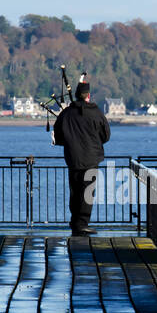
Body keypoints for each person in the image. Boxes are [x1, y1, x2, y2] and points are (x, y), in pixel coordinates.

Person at [52, 81, 110, 236]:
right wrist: (96, 143)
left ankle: (75, 222)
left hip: (73, 158)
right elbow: (106, 135)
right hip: (91, 158)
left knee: (75, 191)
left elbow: (57, 135)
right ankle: (82, 224)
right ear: (88, 96)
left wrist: (70, 143)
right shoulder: (96, 112)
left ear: (77, 95)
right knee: (87, 192)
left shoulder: (66, 113)